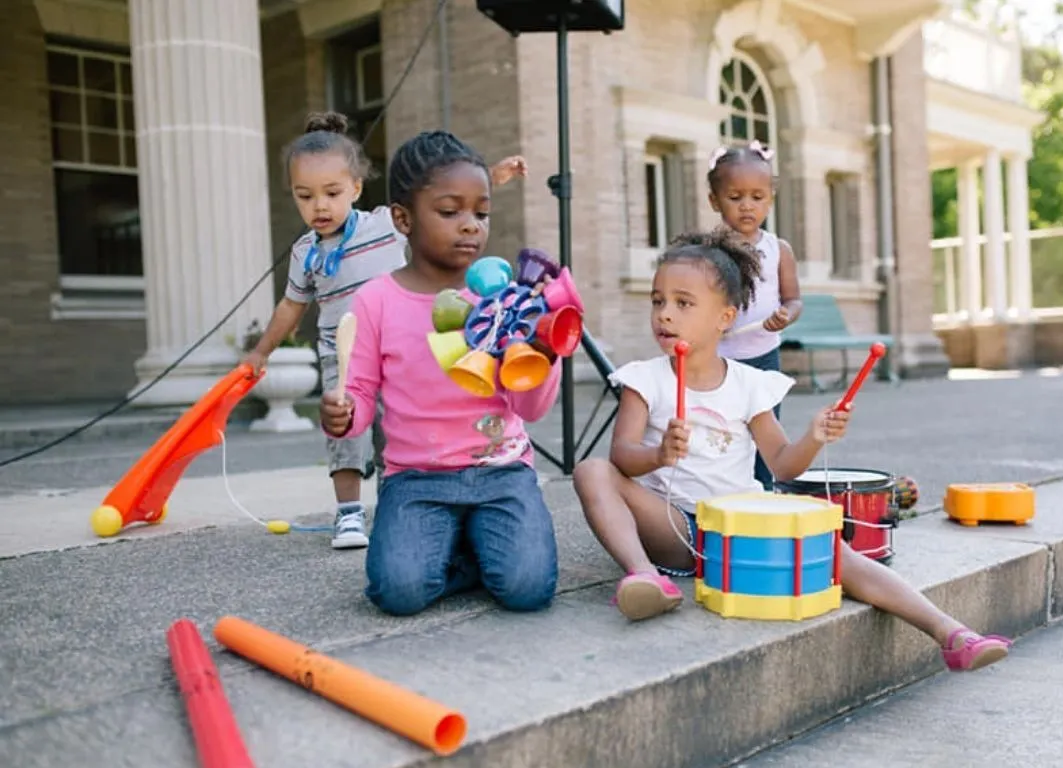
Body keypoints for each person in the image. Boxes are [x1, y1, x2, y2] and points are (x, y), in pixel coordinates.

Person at [572, 229, 1010, 672]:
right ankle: (644, 576)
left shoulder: (749, 383)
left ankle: (951, 633)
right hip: (675, 528)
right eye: (657, 301)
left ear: (724, 317)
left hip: (740, 527)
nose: (664, 314)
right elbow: (622, 458)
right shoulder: (644, 379)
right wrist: (659, 455)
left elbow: (781, 464)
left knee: (839, 554)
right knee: (590, 470)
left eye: (683, 303)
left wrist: (814, 436)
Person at [243, 111, 527, 549]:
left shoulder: (382, 223)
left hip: (396, 348)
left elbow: (439, 200)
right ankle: (349, 514)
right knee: (344, 431)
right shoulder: (305, 253)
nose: (320, 206)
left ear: (355, 188)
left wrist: (493, 176)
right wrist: (262, 351)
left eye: (332, 193)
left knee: (391, 433)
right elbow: (290, 306)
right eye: (305, 196)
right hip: (343, 353)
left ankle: (395, 505)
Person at [320, 130, 559, 617]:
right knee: (397, 592)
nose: (470, 226)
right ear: (403, 219)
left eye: (481, 213)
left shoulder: (502, 299)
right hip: (417, 479)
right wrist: (344, 413)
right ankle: (461, 548)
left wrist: (544, 354)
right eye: (450, 212)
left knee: (529, 589)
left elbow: (529, 408)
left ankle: (470, 546)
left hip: (502, 472)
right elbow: (361, 395)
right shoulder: (377, 300)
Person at [709, 140, 803, 491]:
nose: (747, 206)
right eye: (735, 198)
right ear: (714, 201)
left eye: (757, 197)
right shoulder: (710, 251)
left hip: (764, 356)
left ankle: (764, 491)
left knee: (767, 430)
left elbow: (794, 299)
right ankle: (724, 490)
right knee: (723, 429)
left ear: (770, 199)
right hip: (721, 359)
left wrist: (786, 315)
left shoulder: (779, 249)